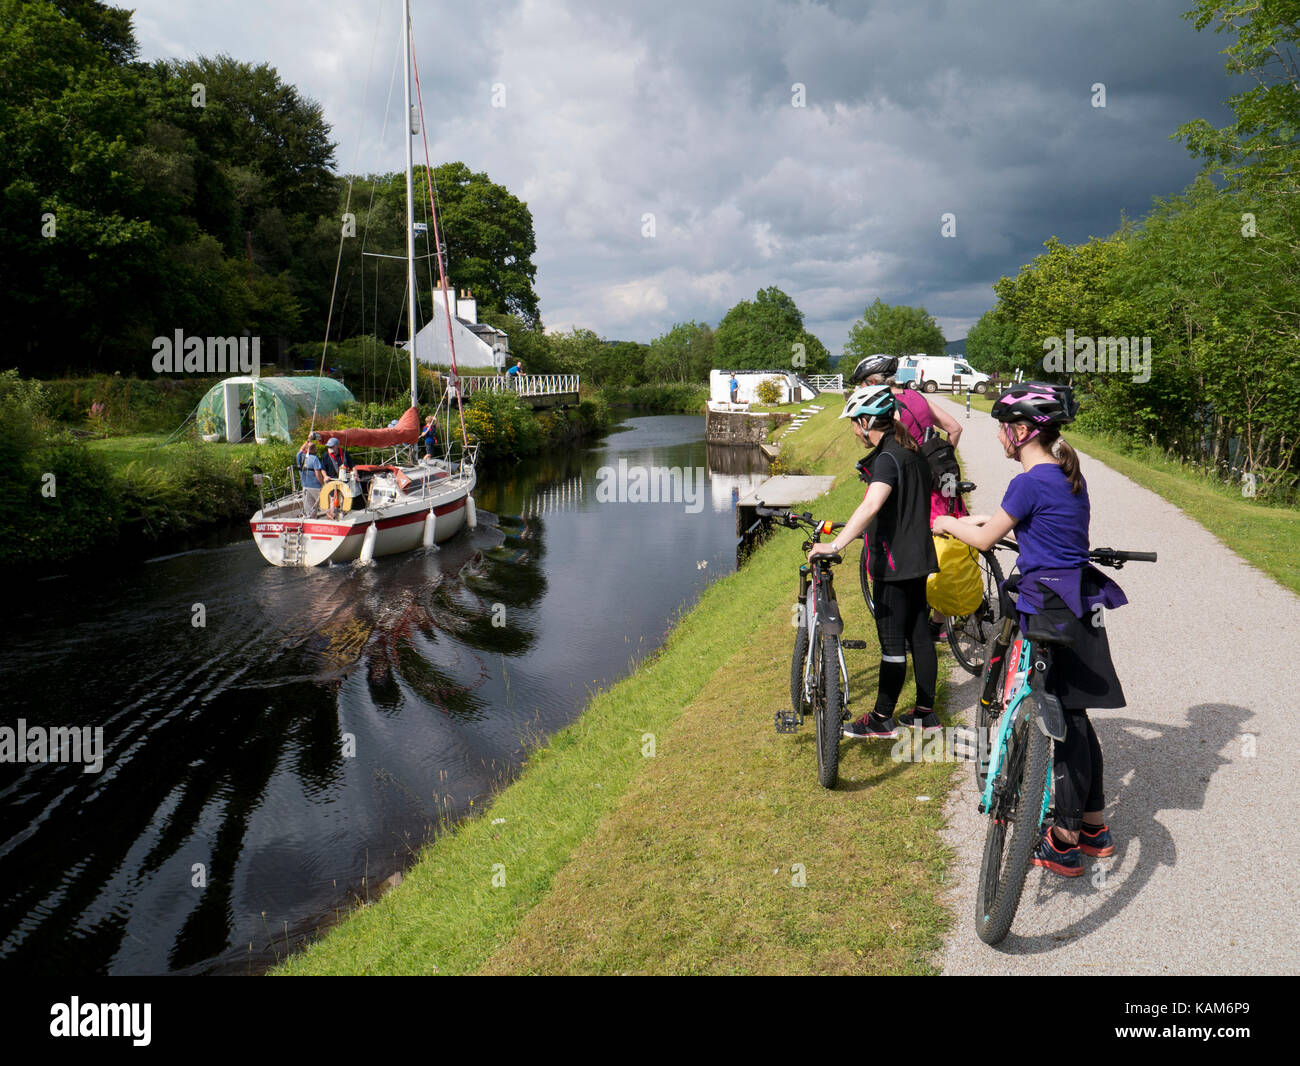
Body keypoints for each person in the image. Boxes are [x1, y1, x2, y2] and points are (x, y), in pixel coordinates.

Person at [932, 382, 1126, 877]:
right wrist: (971, 519)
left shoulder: (1028, 480)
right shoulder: (1063, 475)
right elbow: (1013, 521)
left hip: (1046, 606)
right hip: (1079, 599)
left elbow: (984, 536)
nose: (999, 435)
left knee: (1055, 719)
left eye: (1003, 427)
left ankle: (1061, 841)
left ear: (1020, 432)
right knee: (1078, 717)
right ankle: (1094, 828)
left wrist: (950, 525)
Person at [809, 384, 939, 739]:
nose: (853, 430)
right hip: (919, 558)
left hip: (894, 565)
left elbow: (872, 504)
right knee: (920, 636)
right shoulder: (911, 451)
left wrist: (835, 544)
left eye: (854, 422)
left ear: (867, 421)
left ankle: (882, 719)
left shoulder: (887, 458)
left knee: (893, 646)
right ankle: (926, 713)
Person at [852, 353, 966, 639]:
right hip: (943, 487)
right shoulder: (917, 397)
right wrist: (937, 461)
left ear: (871, 382)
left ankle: (904, 623)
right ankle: (939, 622)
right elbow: (955, 428)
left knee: (907, 553)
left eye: (861, 385)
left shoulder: (887, 407)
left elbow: (893, 448)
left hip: (916, 493)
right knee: (947, 551)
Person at [296, 432, 325, 513]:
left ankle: (311, 520)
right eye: (315, 448)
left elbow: (301, 449)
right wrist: (323, 484)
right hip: (316, 487)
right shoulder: (315, 459)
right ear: (313, 450)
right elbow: (317, 474)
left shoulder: (299, 457)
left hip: (305, 487)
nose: (316, 450)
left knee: (310, 510)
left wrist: (308, 440)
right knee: (325, 506)